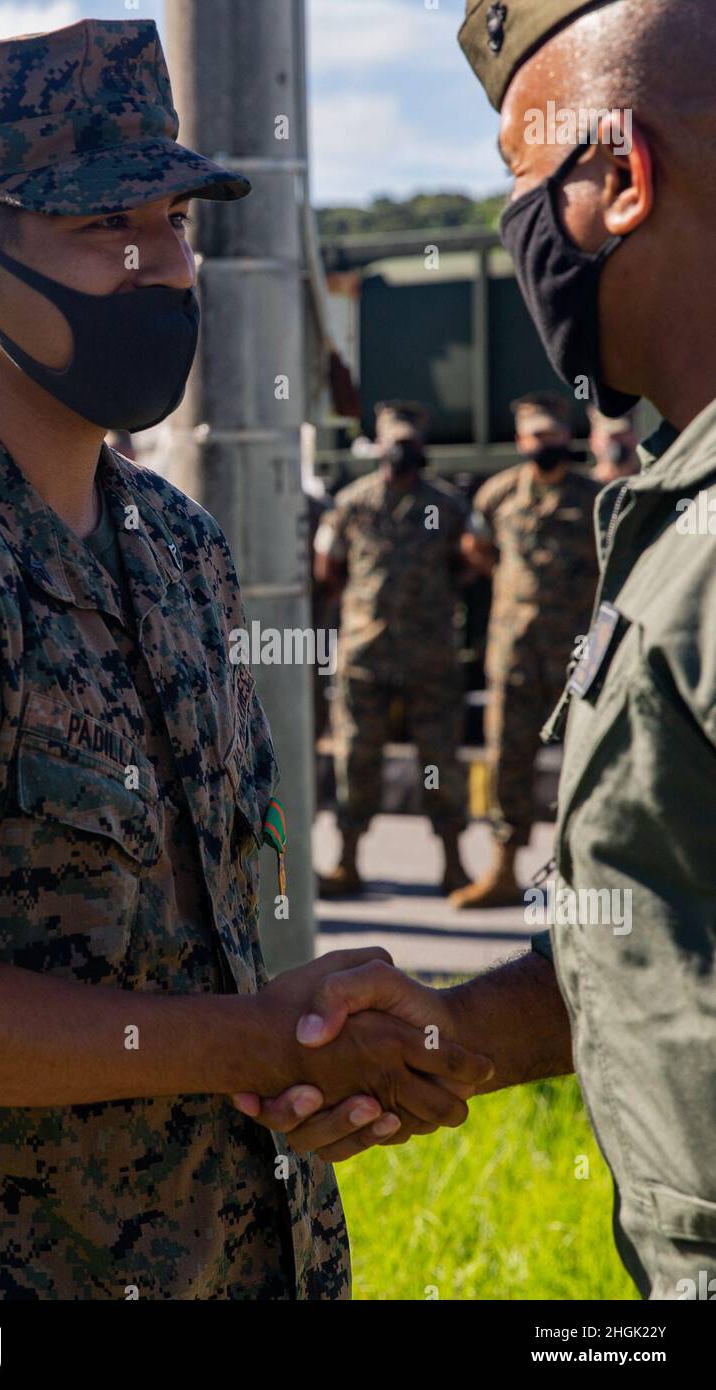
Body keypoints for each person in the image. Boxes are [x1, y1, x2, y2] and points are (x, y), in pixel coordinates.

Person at [0, 19, 494, 1301]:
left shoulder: (177, 547)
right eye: (107, 230)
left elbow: (201, 942)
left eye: (176, 224)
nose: (163, 268)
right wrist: (229, 1041)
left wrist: (290, 1053)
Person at [237, 0, 716, 1304]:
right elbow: (681, 921)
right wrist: (456, 1035)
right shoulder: (676, 494)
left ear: (620, 178)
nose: (513, 237)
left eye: (521, 182)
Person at [314, 400, 471, 897]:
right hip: (366, 656)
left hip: (430, 657)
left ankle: (453, 863)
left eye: (411, 444)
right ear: (380, 448)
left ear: (422, 449)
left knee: (438, 762)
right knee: (357, 758)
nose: (402, 452)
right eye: (394, 443)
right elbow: (329, 569)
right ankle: (347, 860)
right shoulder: (353, 502)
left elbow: (466, 566)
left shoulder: (444, 505)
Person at [451, 392, 601, 907]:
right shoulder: (497, 495)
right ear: (521, 440)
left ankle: (587, 875)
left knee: (586, 763)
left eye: (555, 434)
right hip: (513, 654)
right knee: (507, 760)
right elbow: (477, 549)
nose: (547, 443)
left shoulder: (596, 499)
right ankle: (503, 870)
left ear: (568, 437)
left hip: (579, 658)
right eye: (537, 435)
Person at [587, 405, 639, 483]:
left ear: (634, 439)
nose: (617, 443)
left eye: (622, 436)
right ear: (594, 441)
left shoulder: (649, 483)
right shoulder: (581, 489)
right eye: (612, 437)